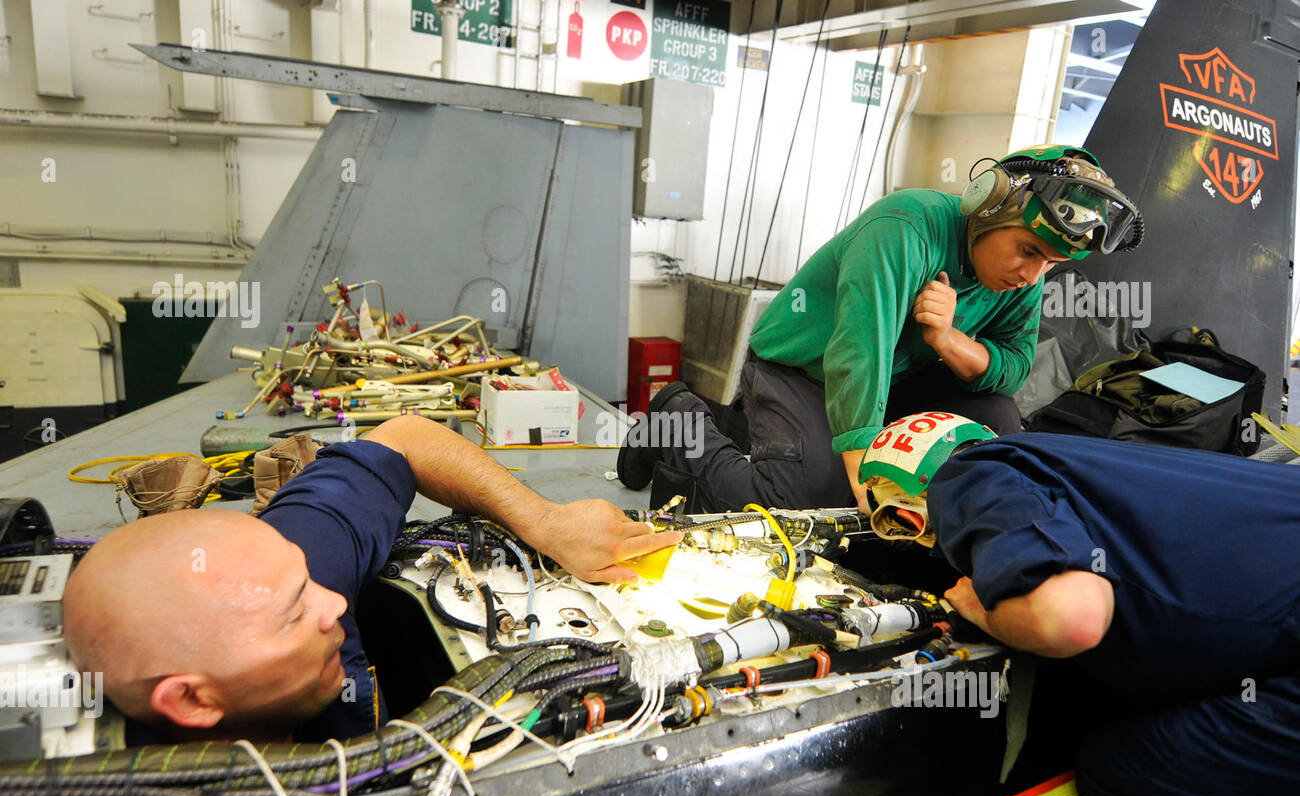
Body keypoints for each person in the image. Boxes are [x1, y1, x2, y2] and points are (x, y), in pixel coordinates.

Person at [62, 415, 681, 744]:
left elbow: (405, 440)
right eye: (292, 612)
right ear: (192, 699)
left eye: (306, 582)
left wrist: (545, 521)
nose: (335, 601)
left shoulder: (298, 557)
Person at [858, 413, 1300, 796]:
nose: (906, 539)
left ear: (910, 505)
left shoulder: (969, 474)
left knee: (1120, 775)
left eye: (897, 524)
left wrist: (981, 610)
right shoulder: (1071, 456)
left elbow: (1071, 620)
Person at [617, 144, 1142, 512]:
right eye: (1028, 251)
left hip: (898, 375)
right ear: (988, 208)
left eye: (1051, 264)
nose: (1032, 275)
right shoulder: (906, 227)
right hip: (803, 368)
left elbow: (1013, 370)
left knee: (998, 423)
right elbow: (858, 351)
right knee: (803, 501)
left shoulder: (1024, 277)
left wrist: (947, 337)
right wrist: (865, 480)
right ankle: (678, 416)